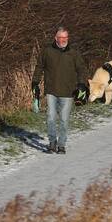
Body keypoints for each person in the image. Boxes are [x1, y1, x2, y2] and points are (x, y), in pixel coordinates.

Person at [31, 25, 87, 154]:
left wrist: (82, 84)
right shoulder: (47, 51)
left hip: (68, 92)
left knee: (63, 120)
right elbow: (39, 66)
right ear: (55, 38)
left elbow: (81, 69)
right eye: (61, 37)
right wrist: (35, 82)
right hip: (51, 90)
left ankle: (61, 144)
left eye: (65, 37)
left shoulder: (74, 53)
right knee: (50, 117)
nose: (63, 40)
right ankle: (52, 142)